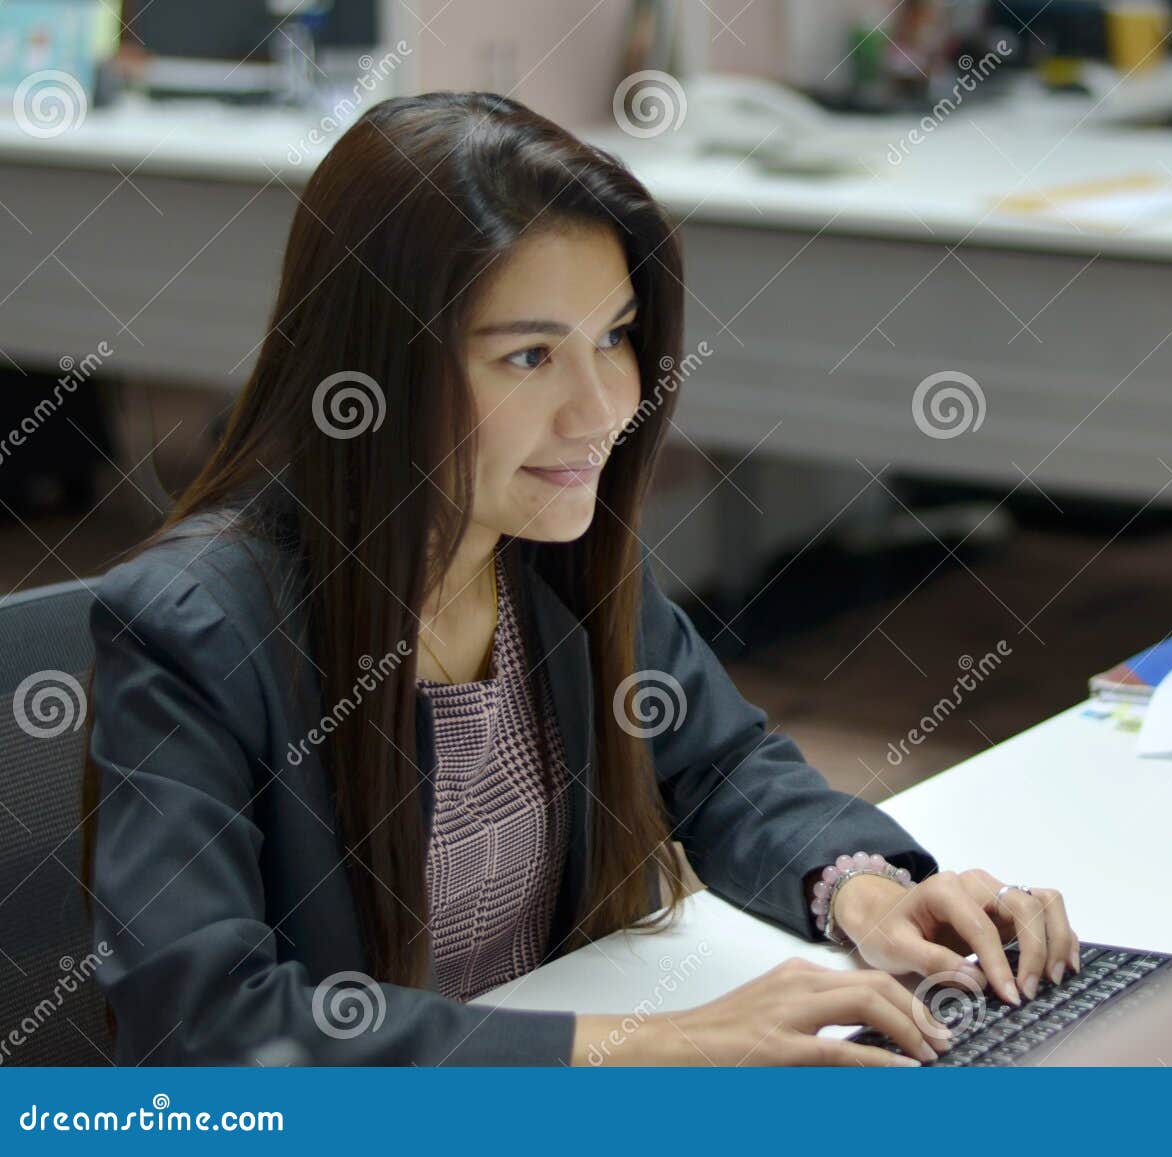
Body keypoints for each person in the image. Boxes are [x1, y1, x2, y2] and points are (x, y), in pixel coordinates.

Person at [81, 92, 1077, 1066]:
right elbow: (204, 1023)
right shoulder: (196, 629)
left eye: (613, 336)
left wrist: (864, 890)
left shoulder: (549, 554)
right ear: (376, 370)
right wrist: (651, 1046)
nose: (602, 408)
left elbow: (720, 766)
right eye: (528, 355)